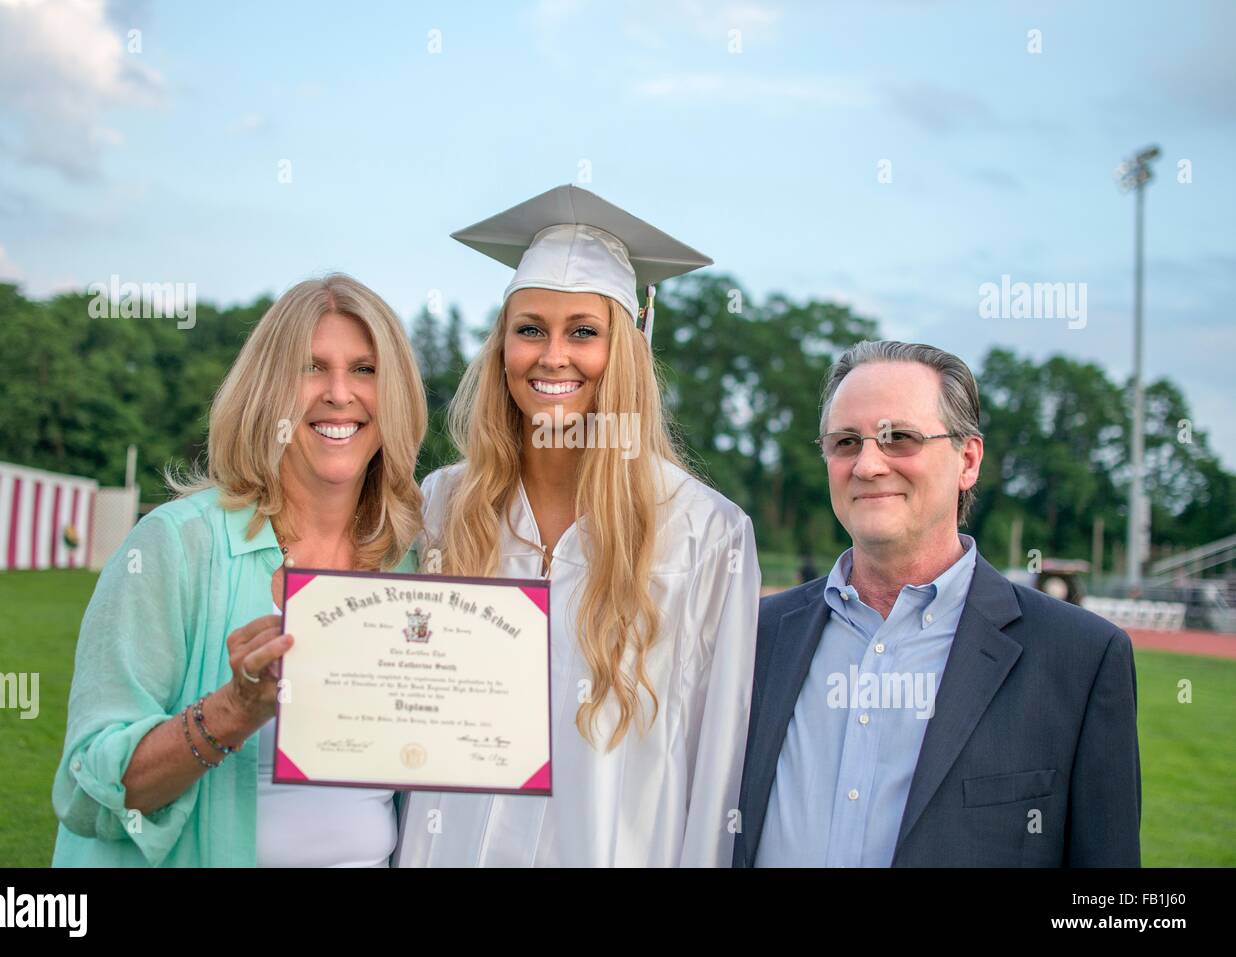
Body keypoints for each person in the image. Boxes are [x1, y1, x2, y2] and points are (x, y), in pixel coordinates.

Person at [397, 185, 761, 866]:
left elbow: (717, 773)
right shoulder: (446, 504)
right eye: (529, 327)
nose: (552, 355)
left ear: (623, 351)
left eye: (583, 331)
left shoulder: (704, 533)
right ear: (501, 346)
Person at [51, 274, 427, 866]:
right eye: (311, 368)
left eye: (364, 369)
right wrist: (234, 710)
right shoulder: (175, 546)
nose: (338, 393)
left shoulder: (413, 567)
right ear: (268, 391)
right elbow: (88, 790)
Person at [735, 340, 1141, 867]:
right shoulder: (754, 638)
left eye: (898, 438)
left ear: (968, 460)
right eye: (845, 442)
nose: (868, 465)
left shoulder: (1080, 659)